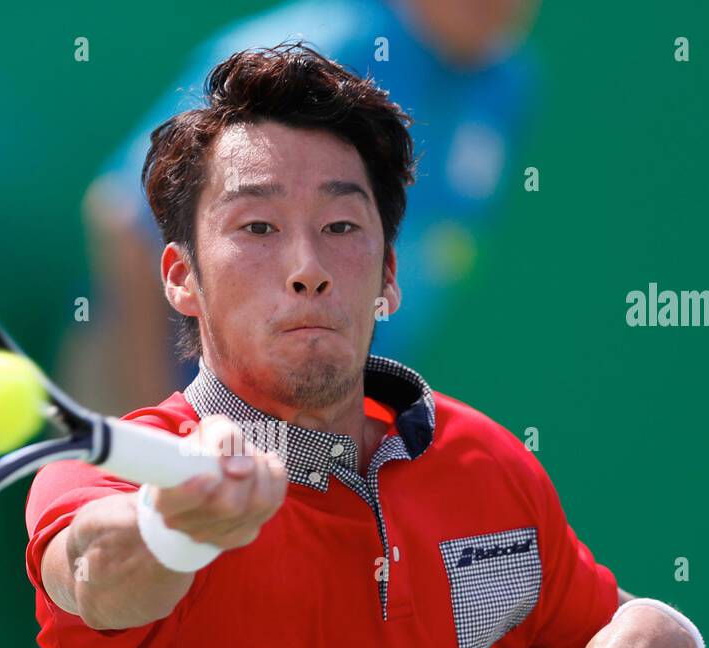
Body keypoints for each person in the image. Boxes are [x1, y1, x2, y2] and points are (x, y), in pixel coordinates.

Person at [24, 43, 705, 648]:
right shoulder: (111, 482)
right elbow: (96, 568)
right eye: (257, 227)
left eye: (342, 227)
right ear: (181, 278)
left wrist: (668, 637)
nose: (307, 269)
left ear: (388, 273)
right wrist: (176, 527)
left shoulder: (485, 467)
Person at [65, 0, 540, 416]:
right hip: (169, 394)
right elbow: (124, 219)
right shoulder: (320, 49)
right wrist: (155, 422)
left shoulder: (506, 85)